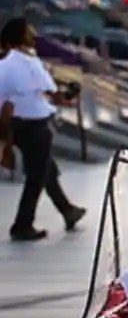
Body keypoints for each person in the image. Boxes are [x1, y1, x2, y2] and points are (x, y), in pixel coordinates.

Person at [1, 17, 87, 242]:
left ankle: (68, 211)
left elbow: (45, 96)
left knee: (47, 170)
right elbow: (49, 94)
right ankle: (22, 225)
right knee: (37, 176)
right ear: (19, 36)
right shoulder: (20, 64)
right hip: (33, 127)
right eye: (29, 31)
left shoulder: (16, 64)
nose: (33, 35)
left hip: (25, 126)